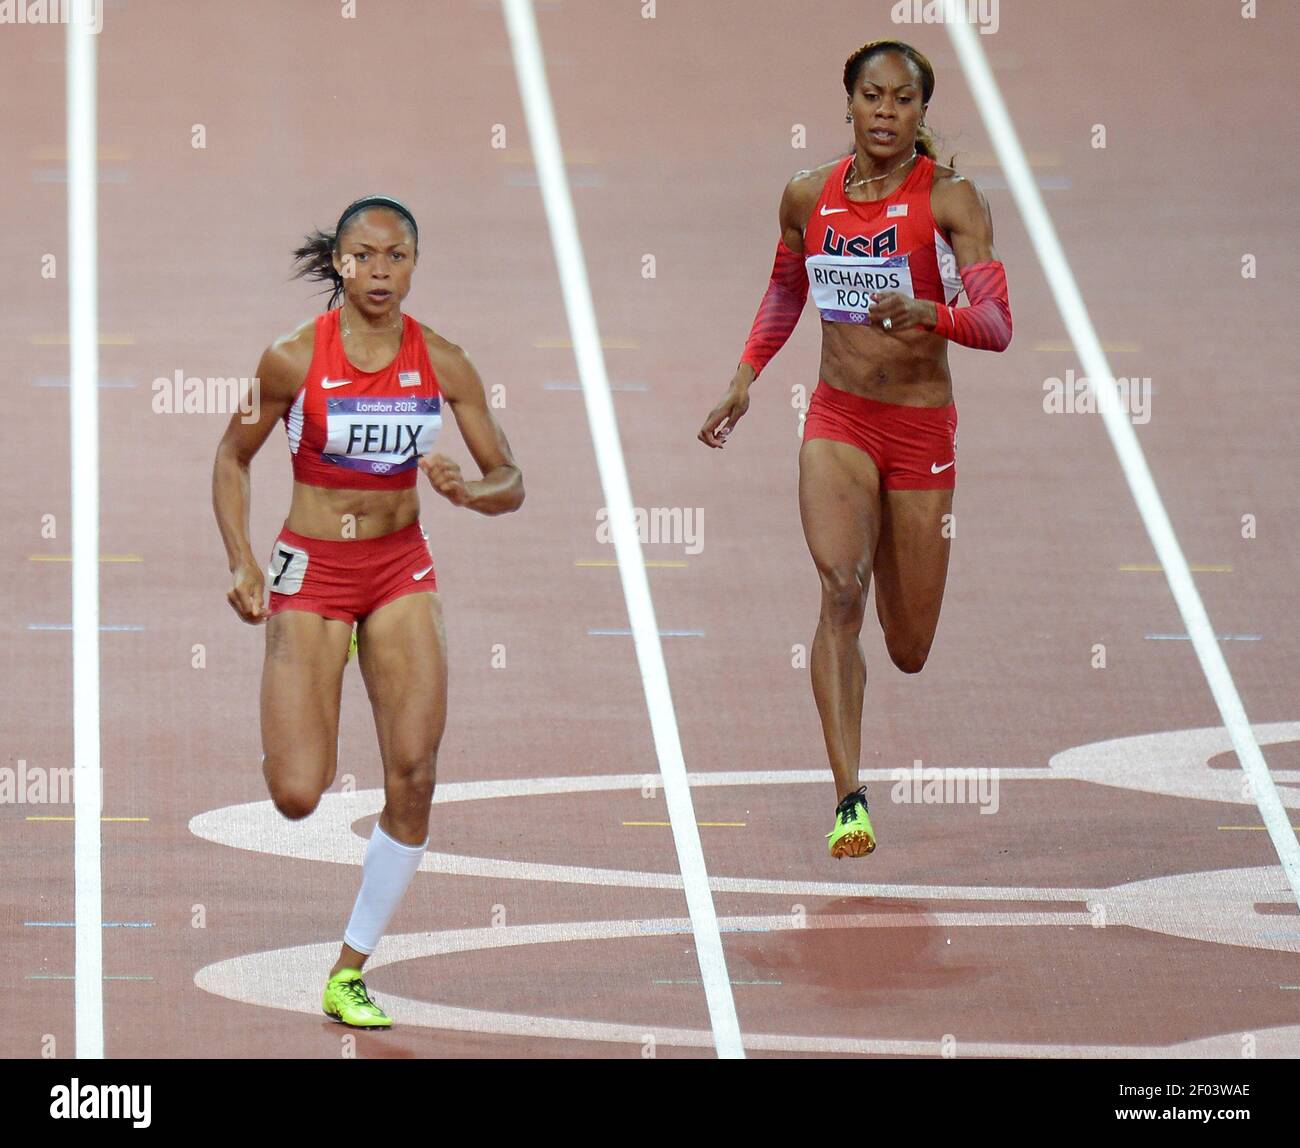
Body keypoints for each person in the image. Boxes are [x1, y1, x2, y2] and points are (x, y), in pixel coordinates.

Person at [212, 195, 524, 1025]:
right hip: (312, 575)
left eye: (397, 257)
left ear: (414, 265)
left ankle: (350, 968)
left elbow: (511, 480)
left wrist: (470, 491)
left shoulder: (445, 362)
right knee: (297, 794)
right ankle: (315, 668)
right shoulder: (290, 359)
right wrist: (244, 562)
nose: (380, 272)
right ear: (340, 264)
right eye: (364, 257)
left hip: (398, 572)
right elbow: (232, 456)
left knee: (415, 773)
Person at [698, 41, 1012, 859]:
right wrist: (745, 376)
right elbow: (785, 287)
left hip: (920, 431)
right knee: (841, 591)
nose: (884, 112)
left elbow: (998, 326)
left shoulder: (952, 203)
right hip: (838, 421)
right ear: (848, 102)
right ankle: (849, 798)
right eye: (871, 96)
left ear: (920, 114)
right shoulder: (808, 196)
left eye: (902, 100)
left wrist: (927, 314)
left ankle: (885, 646)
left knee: (906, 646)